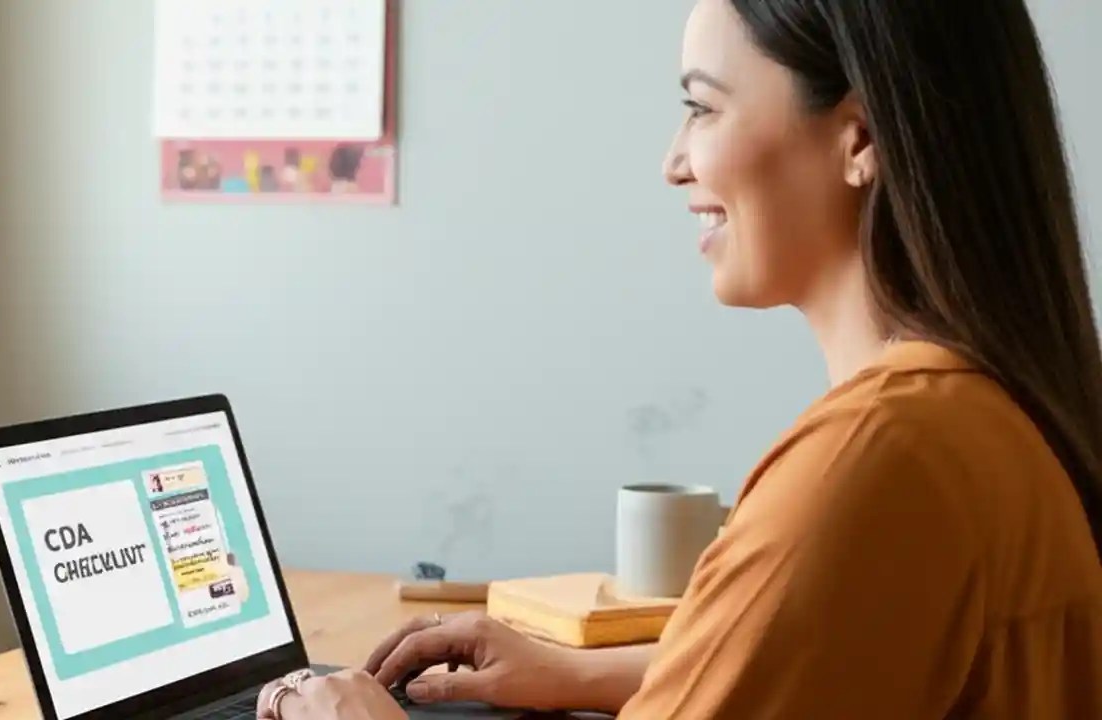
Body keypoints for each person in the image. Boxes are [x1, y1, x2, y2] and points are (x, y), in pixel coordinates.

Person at [256, 0, 1102, 717]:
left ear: (859, 137)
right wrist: (585, 672)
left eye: (702, 108)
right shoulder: (990, 417)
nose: (672, 162)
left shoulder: (871, 461)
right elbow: (856, 657)